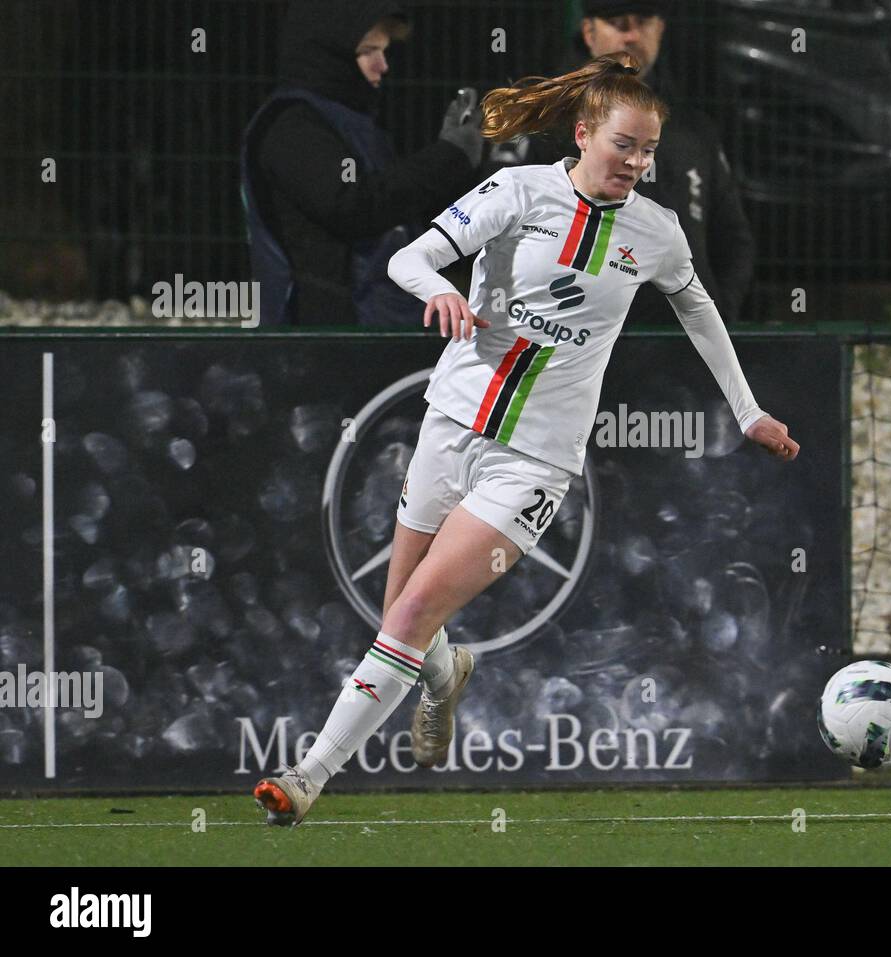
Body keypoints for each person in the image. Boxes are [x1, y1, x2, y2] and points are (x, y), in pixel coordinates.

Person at [253, 52, 798, 826]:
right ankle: (446, 676)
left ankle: (306, 777)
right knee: (400, 618)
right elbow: (412, 257)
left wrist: (747, 411)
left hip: (535, 461)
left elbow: (700, 311)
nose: (638, 164)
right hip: (450, 421)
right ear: (582, 134)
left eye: (649, 151)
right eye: (624, 146)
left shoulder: (659, 232)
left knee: (408, 620)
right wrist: (440, 288)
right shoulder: (517, 191)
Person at [491, 0, 755, 326]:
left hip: (681, 345)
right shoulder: (549, 121)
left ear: (660, 28)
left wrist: (717, 314)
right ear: (589, 31)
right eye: (619, 23)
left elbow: (733, 239)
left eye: (644, 22)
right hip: (574, 338)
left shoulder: (694, 128)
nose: (631, 37)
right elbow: (499, 226)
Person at [241, 1, 484, 327]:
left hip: (369, 322)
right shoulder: (292, 125)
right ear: (329, 53)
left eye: (383, 51)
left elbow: (397, 208)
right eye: (369, 51)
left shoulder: (350, 121)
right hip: (320, 337)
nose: (382, 65)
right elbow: (355, 207)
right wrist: (448, 157)